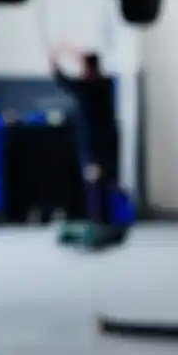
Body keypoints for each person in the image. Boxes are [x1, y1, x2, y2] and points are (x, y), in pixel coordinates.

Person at [47, 45, 119, 225]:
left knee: (94, 185)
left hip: (93, 146)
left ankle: (97, 222)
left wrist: (54, 63)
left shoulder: (88, 88)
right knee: (103, 184)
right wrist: (75, 54)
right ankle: (104, 221)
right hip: (106, 143)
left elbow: (64, 81)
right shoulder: (105, 83)